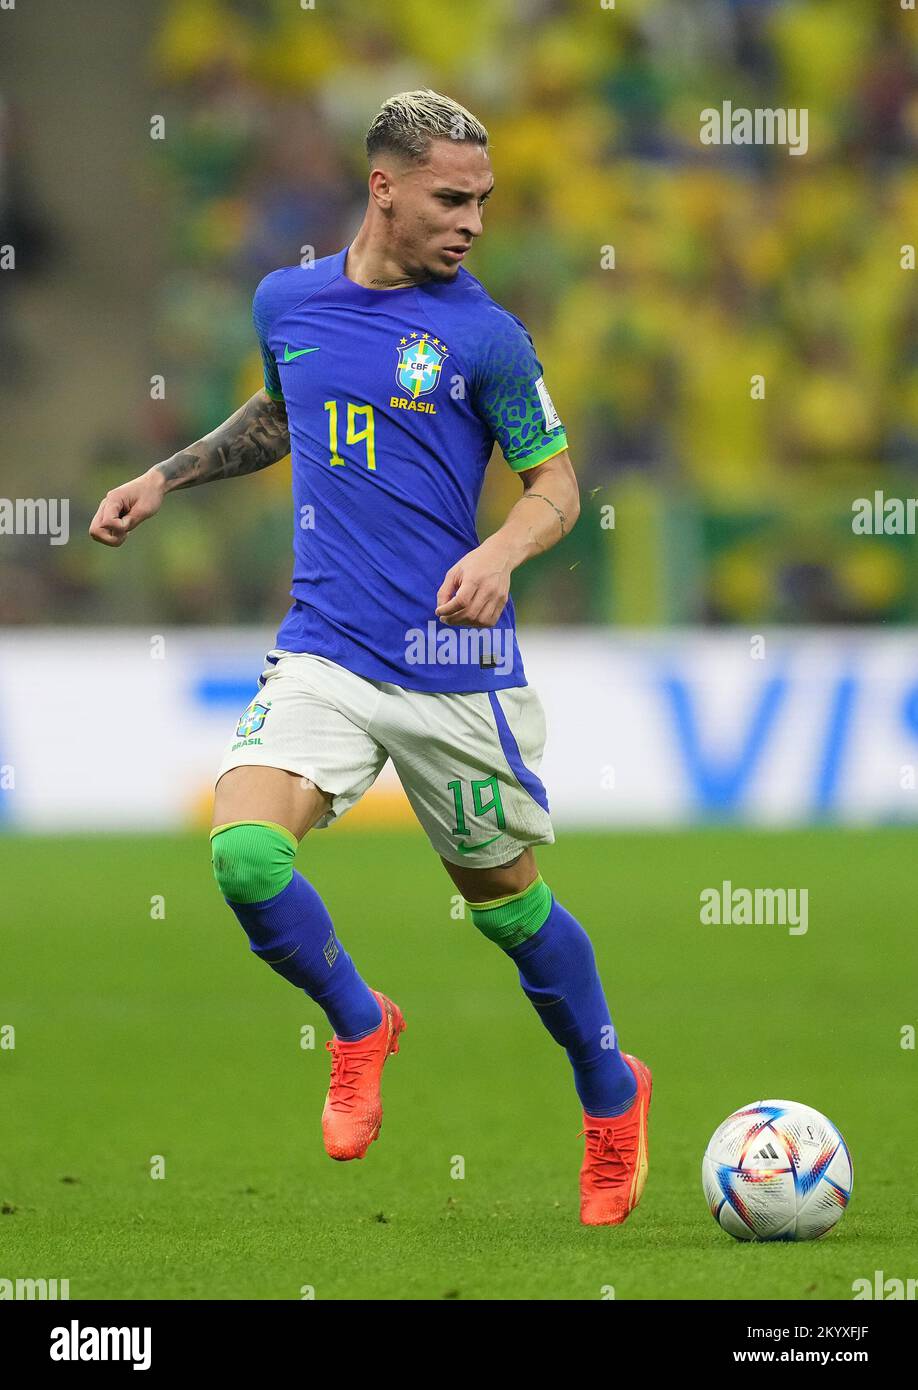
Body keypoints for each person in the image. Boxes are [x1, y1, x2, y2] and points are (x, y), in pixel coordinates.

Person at [89, 88, 651, 1225]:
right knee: (245, 856)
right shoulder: (285, 298)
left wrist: (502, 547)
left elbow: (559, 485)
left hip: (452, 664)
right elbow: (282, 408)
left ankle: (610, 1090)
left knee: (508, 912)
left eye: (485, 200)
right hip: (328, 646)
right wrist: (166, 477)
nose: (474, 222)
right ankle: (359, 1018)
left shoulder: (486, 334)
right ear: (383, 187)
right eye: (453, 197)